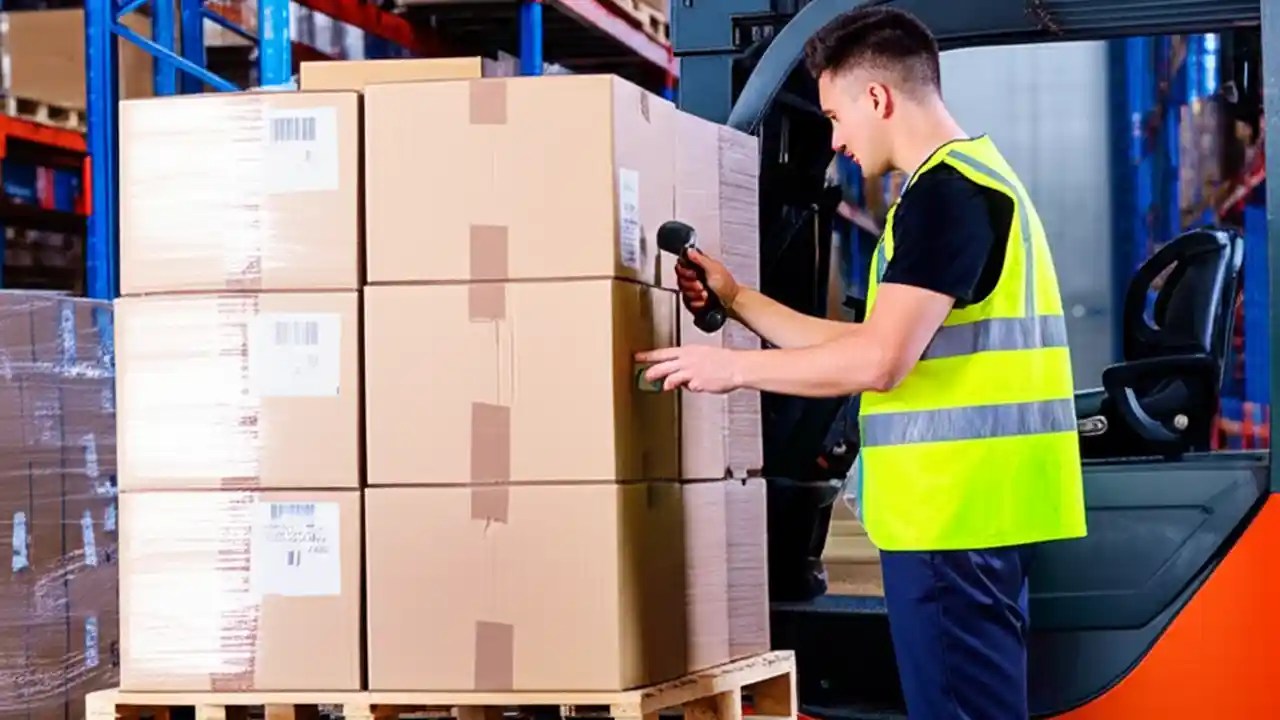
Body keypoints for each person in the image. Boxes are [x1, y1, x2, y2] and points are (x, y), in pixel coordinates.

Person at [637, 6, 1087, 719]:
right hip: (967, 517)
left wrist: (731, 371)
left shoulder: (949, 196)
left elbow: (878, 363)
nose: (836, 137)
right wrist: (739, 300)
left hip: (953, 519)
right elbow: (873, 342)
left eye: (835, 115)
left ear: (877, 98)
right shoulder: (965, 183)